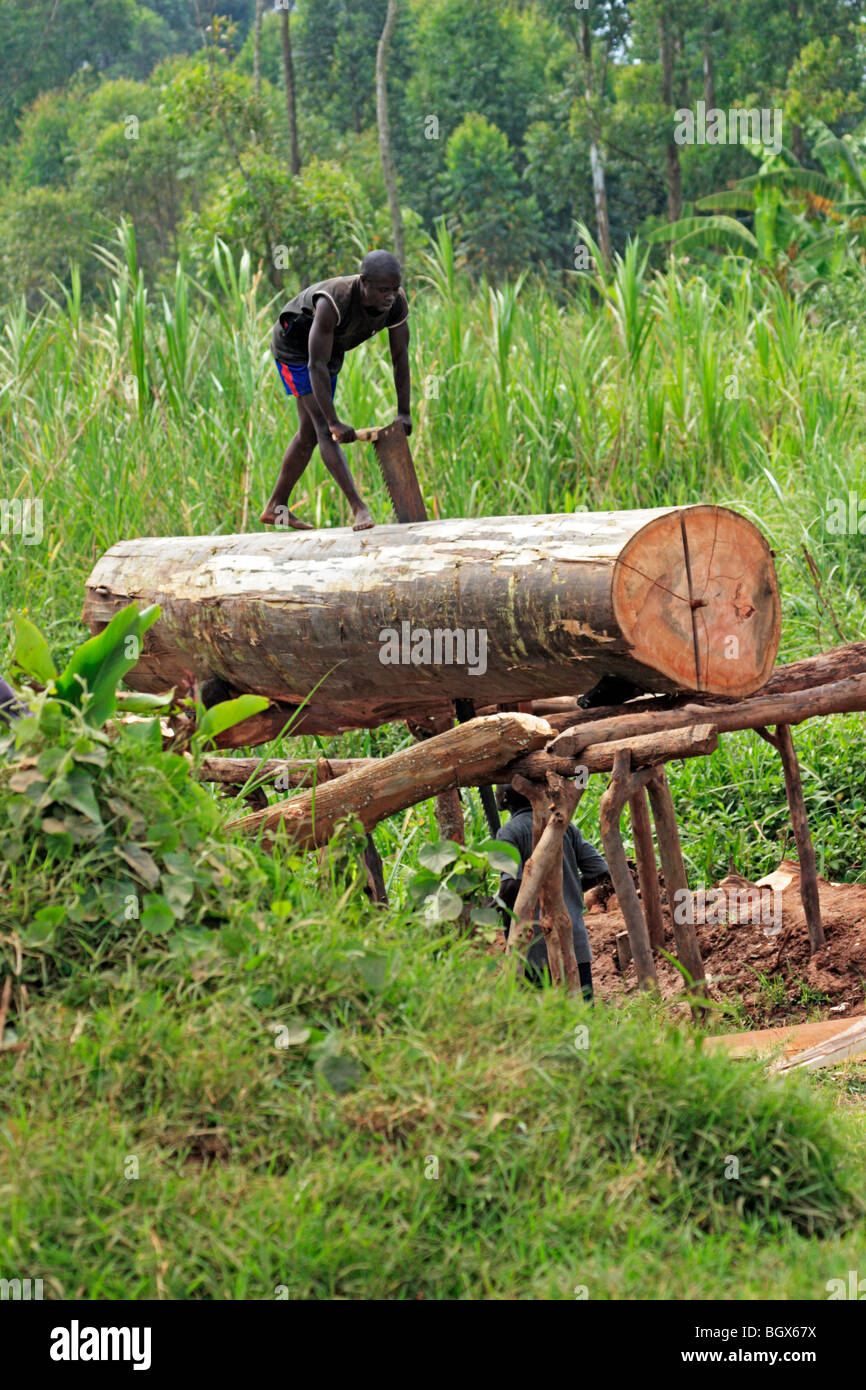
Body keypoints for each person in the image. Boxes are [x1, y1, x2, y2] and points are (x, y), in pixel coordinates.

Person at [261, 250, 412, 533]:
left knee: (307, 433)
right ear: (364, 282)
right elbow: (314, 364)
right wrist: (333, 421)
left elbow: (400, 356)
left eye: (394, 288)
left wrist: (404, 411)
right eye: (382, 290)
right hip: (295, 351)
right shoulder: (334, 301)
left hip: (329, 352)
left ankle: (276, 506)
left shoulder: (396, 303)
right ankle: (359, 509)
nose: (390, 296)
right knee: (321, 429)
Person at [495, 784, 610, 1000]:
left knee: (543, 1024)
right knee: (582, 1014)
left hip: (534, 948)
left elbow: (510, 885)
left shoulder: (509, 832)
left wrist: (493, 905)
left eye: (498, 789)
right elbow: (600, 871)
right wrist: (573, 887)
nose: (495, 794)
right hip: (575, 942)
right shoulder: (564, 826)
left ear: (506, 797)